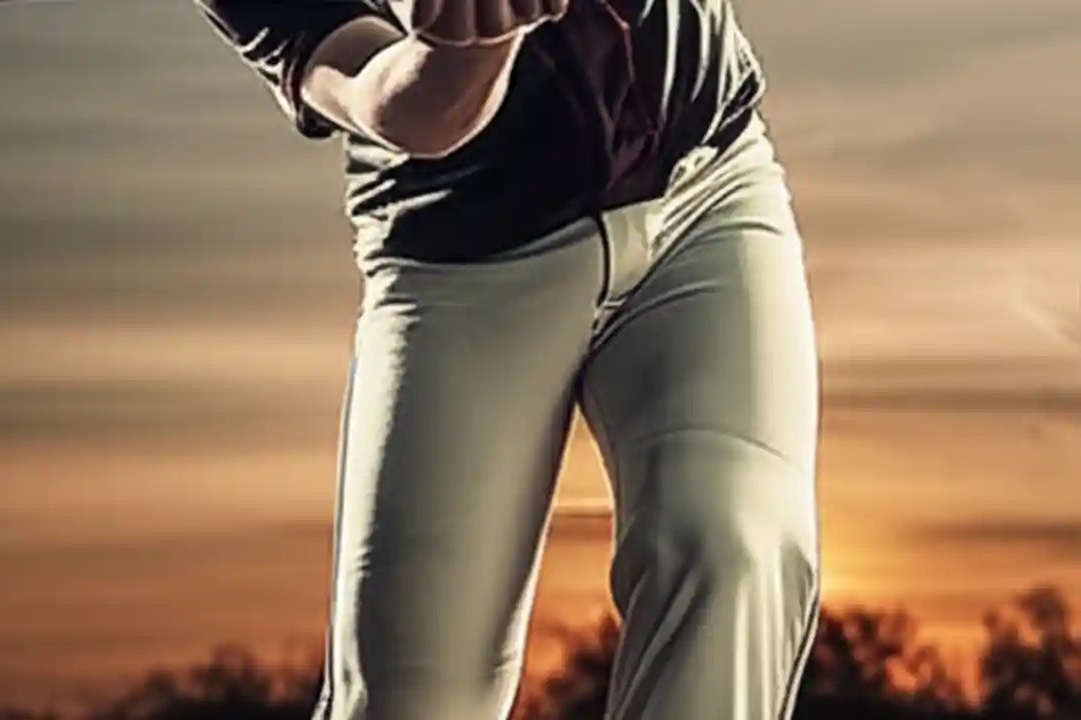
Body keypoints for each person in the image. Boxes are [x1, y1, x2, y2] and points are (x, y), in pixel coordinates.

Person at [193, 1, 823, 718]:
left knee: (731, 540)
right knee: (412, 697)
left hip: (704, 186)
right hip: (462, 258)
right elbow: (402, 105)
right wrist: (474, 39)